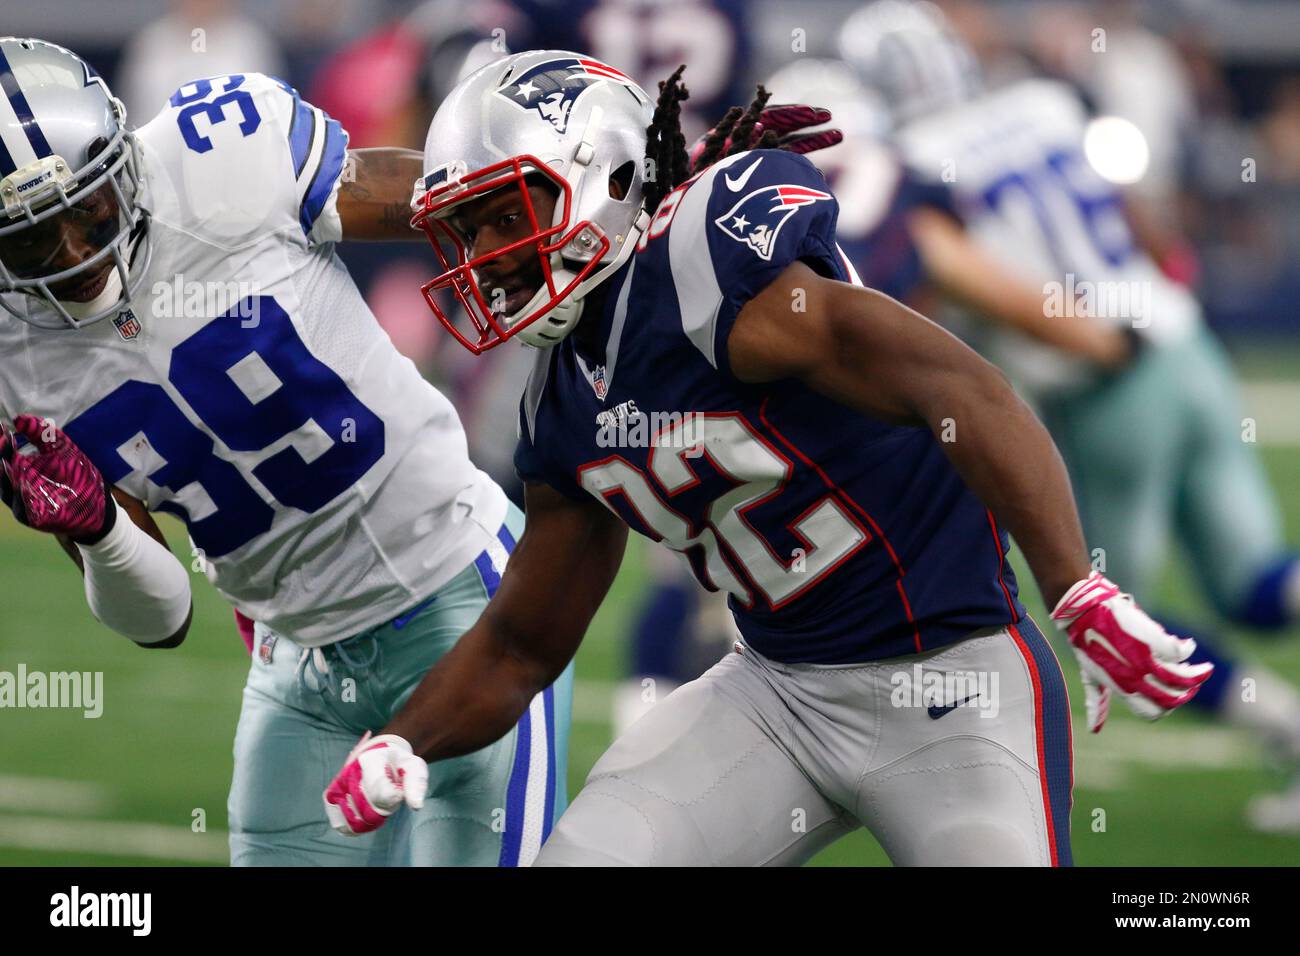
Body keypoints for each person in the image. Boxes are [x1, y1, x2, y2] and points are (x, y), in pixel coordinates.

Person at [321, 49, 1212, 866]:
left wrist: (1075, 587)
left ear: (607, 174)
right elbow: (521, 645)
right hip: (775, 695)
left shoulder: (711, 270)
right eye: (468, 230)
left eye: (504, 216)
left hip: (955, 682)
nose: (486, 259)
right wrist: (403, 740)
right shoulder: (561, 399)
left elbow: (964, 390)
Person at [0, 37, 570, 866]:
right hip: (295, 665)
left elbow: (453, 199)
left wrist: (616, 197)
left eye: (84, 209)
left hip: (457, 599)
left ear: (121, 160)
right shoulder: (14, 359)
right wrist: (98, 535)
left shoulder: (219, 155)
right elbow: (162, 618)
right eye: (30, 241)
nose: (72, 253)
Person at [838, 0, 1300, 832]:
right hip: (1186, 344)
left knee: (1111, 604)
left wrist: (1089, 339)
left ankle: (1292, 730)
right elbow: (1136, 216)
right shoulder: (1041, 100)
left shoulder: (914, 163)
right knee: (1256, 582)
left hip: (1111, 380)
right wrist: (1162, 291)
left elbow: (981, 281)